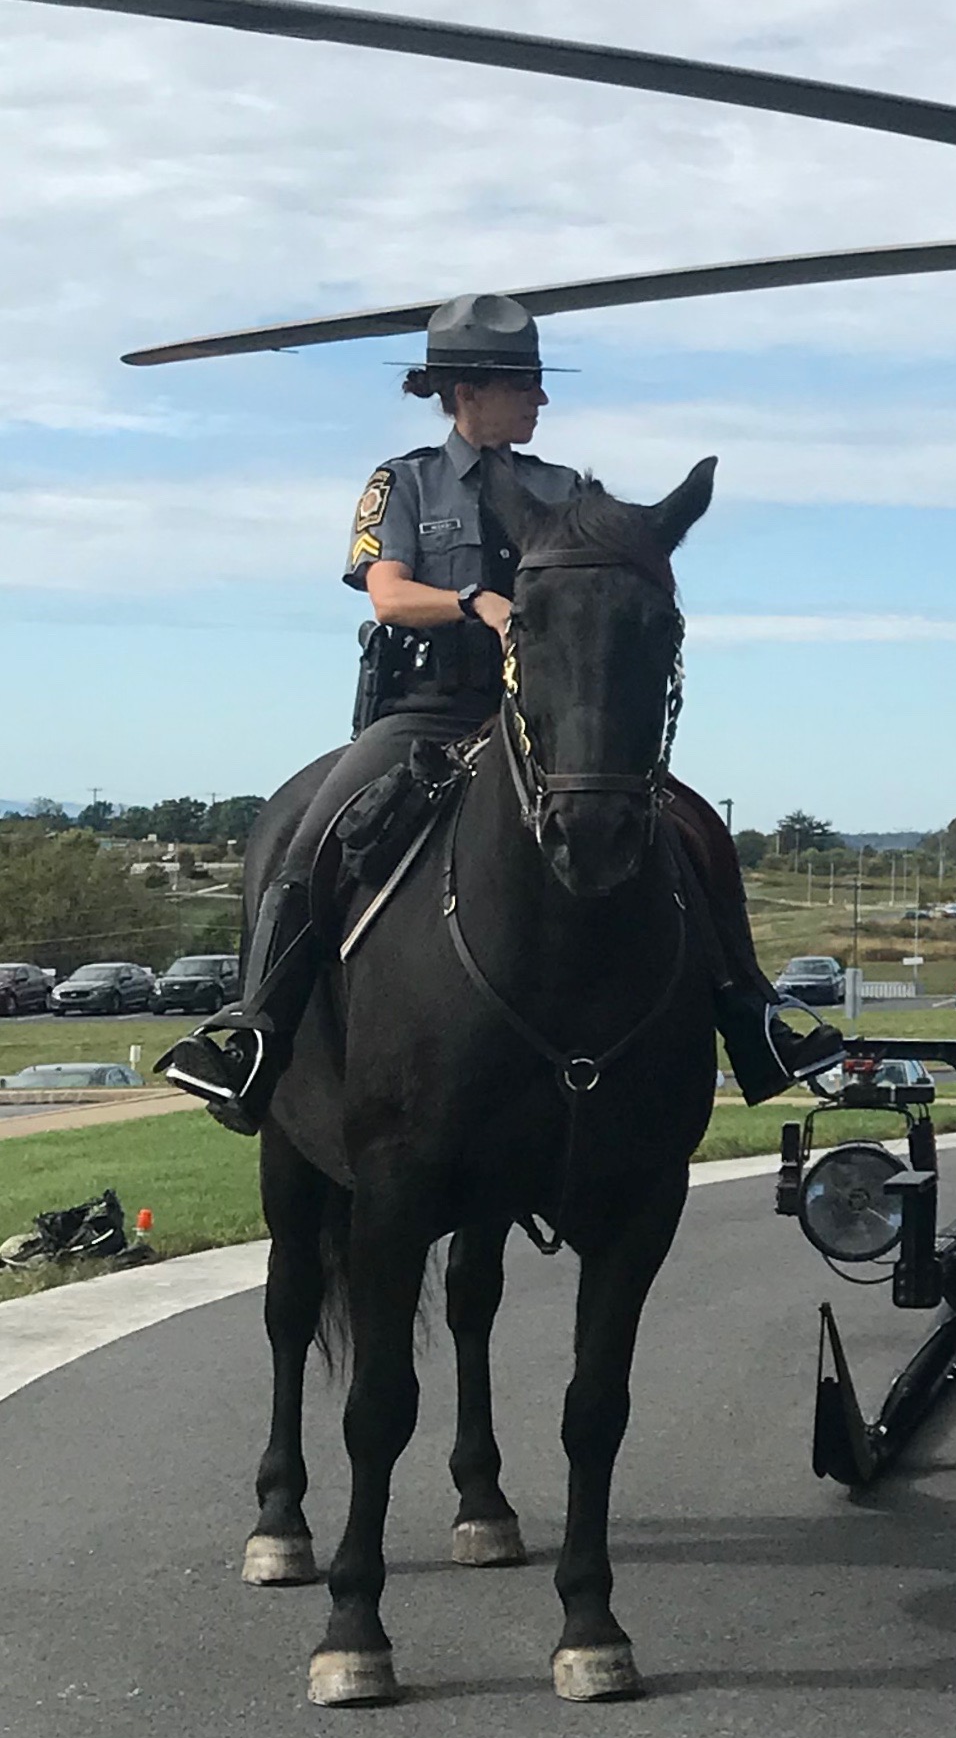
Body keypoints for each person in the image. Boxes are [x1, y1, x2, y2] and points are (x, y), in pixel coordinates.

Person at [161, 293, 841, 1129]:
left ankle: (750, 1013)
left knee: (694, 831)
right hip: (428, 713)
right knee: (311, 836)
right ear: (467, 389)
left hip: (545, 724)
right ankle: (255, 1032)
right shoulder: (401, 482)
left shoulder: (566, 494)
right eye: (525, 383)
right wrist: (474, 601)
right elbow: (387, 595)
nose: (541, 401)